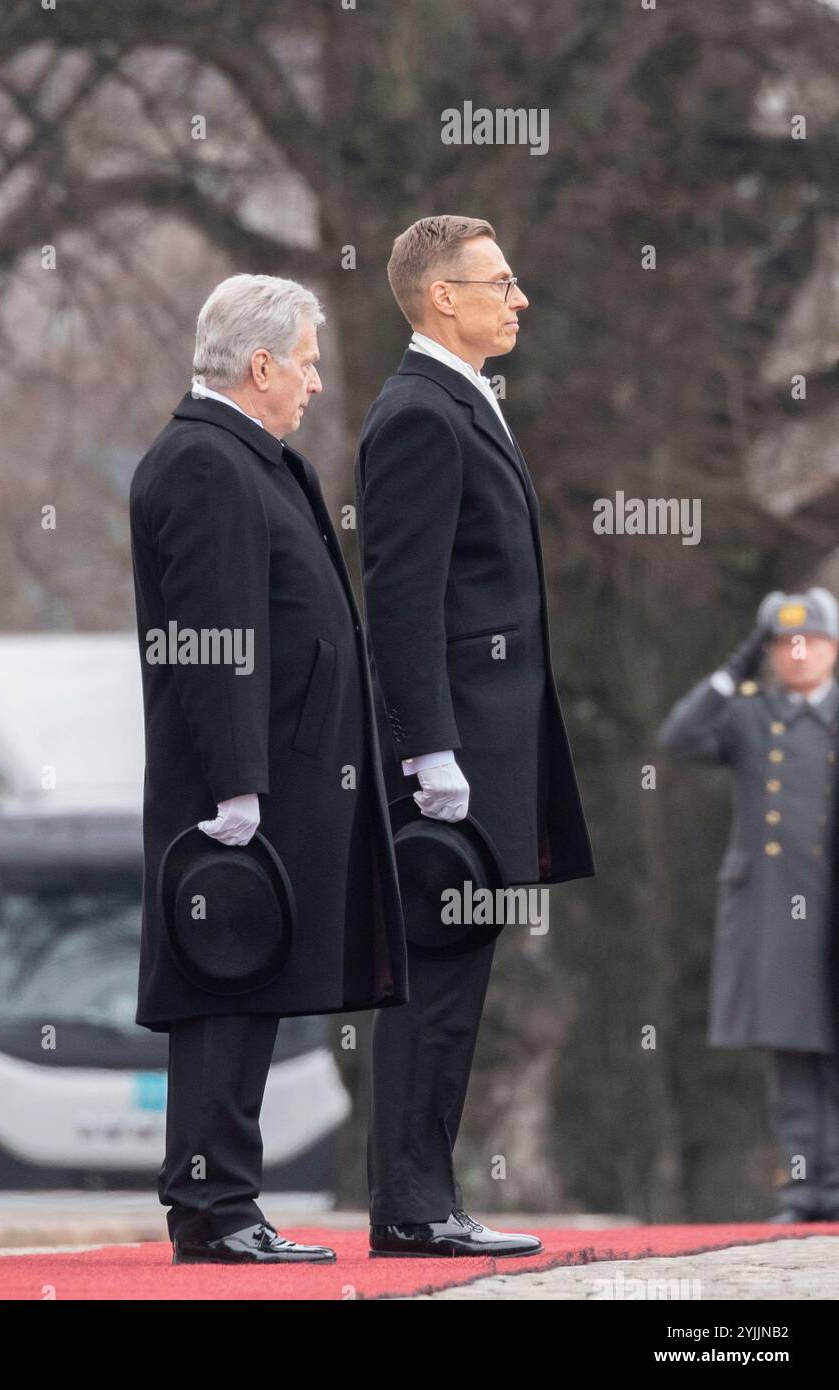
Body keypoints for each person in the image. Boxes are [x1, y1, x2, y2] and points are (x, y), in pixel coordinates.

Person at [129, 274, 408, 1264]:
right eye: (306, 362)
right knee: (224, 987)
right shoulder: (207, 462)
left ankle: (226, 1204)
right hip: (244, 789)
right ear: (259, 365)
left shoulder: (247, 456)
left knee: (249, 986)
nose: (316, 383)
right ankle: (214, 1209)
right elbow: (216, 636)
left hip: (280, 779)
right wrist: (235, 784)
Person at [356, 215, 595, 1257]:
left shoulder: (460, 402)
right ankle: (413, 1205)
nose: (520, 296)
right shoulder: (421, 413)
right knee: (437, 982)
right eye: (500, 281)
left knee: (460, 980)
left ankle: (425, 1195)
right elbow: (401, 601)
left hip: (487, 747)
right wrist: (426, 751)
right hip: (451, 759)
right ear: (441, 298)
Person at [658, 588, 839, 1221]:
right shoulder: (752, 714)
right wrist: (736, 666)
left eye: (810, 640)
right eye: (782, 643)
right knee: (791, 1055)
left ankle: (836, 1190)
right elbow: (679, 737)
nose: (797, 653)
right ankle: (802, 1193)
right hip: (776, 908)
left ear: (833, 648)